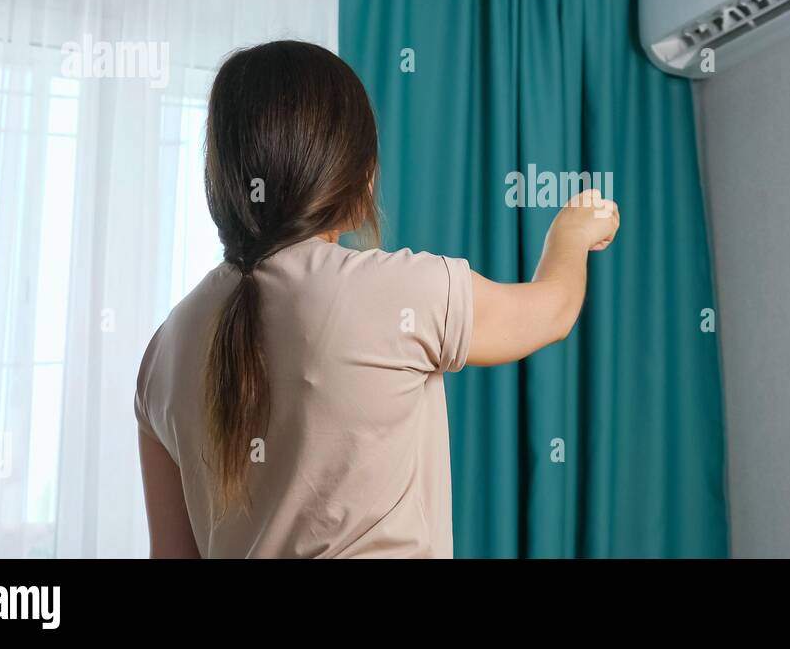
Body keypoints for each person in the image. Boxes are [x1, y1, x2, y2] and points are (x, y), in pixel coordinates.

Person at [135, 40, 619, 557]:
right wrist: (571, 232)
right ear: (354, 174)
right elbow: (552, 311)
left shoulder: (164, 349)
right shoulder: (398, 292)